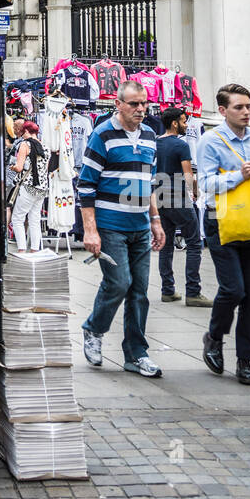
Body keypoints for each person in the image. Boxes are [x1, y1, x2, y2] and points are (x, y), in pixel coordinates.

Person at [78, 80, 165, 378]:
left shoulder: (151, 135)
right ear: (118, 104)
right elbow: (86, 186)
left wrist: (155, 220)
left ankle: (136, 354)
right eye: (134, 104)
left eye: (144, 103)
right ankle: (94, 329)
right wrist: (91, 230)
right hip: (110, 225)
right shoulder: (102, 134)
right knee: (118, 283)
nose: (141, 109)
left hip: (140, 224)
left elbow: (149, 181)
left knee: (140, 291)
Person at [198, 83, 250, 386]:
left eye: (248, 106)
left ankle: (245, 361)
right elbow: (206, 183)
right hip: (221, 219)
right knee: (234, 289)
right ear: (223, 111)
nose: (246, 112)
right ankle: (214, 337)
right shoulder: (210, 141)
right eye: (239, 107)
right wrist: (239, 176)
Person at [155, 107, 211, 308]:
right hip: (178, 197)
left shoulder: (155, 142)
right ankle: (193, 292)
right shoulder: (181, 145)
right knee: (194, 243)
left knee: (166, 244)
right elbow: (188, 174)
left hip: (159, 197)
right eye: (184, 121)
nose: (186, 125)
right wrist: (195, 192)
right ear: (174, 123)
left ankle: (167, 290)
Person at [7, 120, 48, 252]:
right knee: (34, 219)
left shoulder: (25, 145)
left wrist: (12, 167)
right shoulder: (44, 146)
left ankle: (21, 249)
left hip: (27, 187)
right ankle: (35, 250)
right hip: (42, 188)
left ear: (26, 131)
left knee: (17, 218)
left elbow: (19, 167)